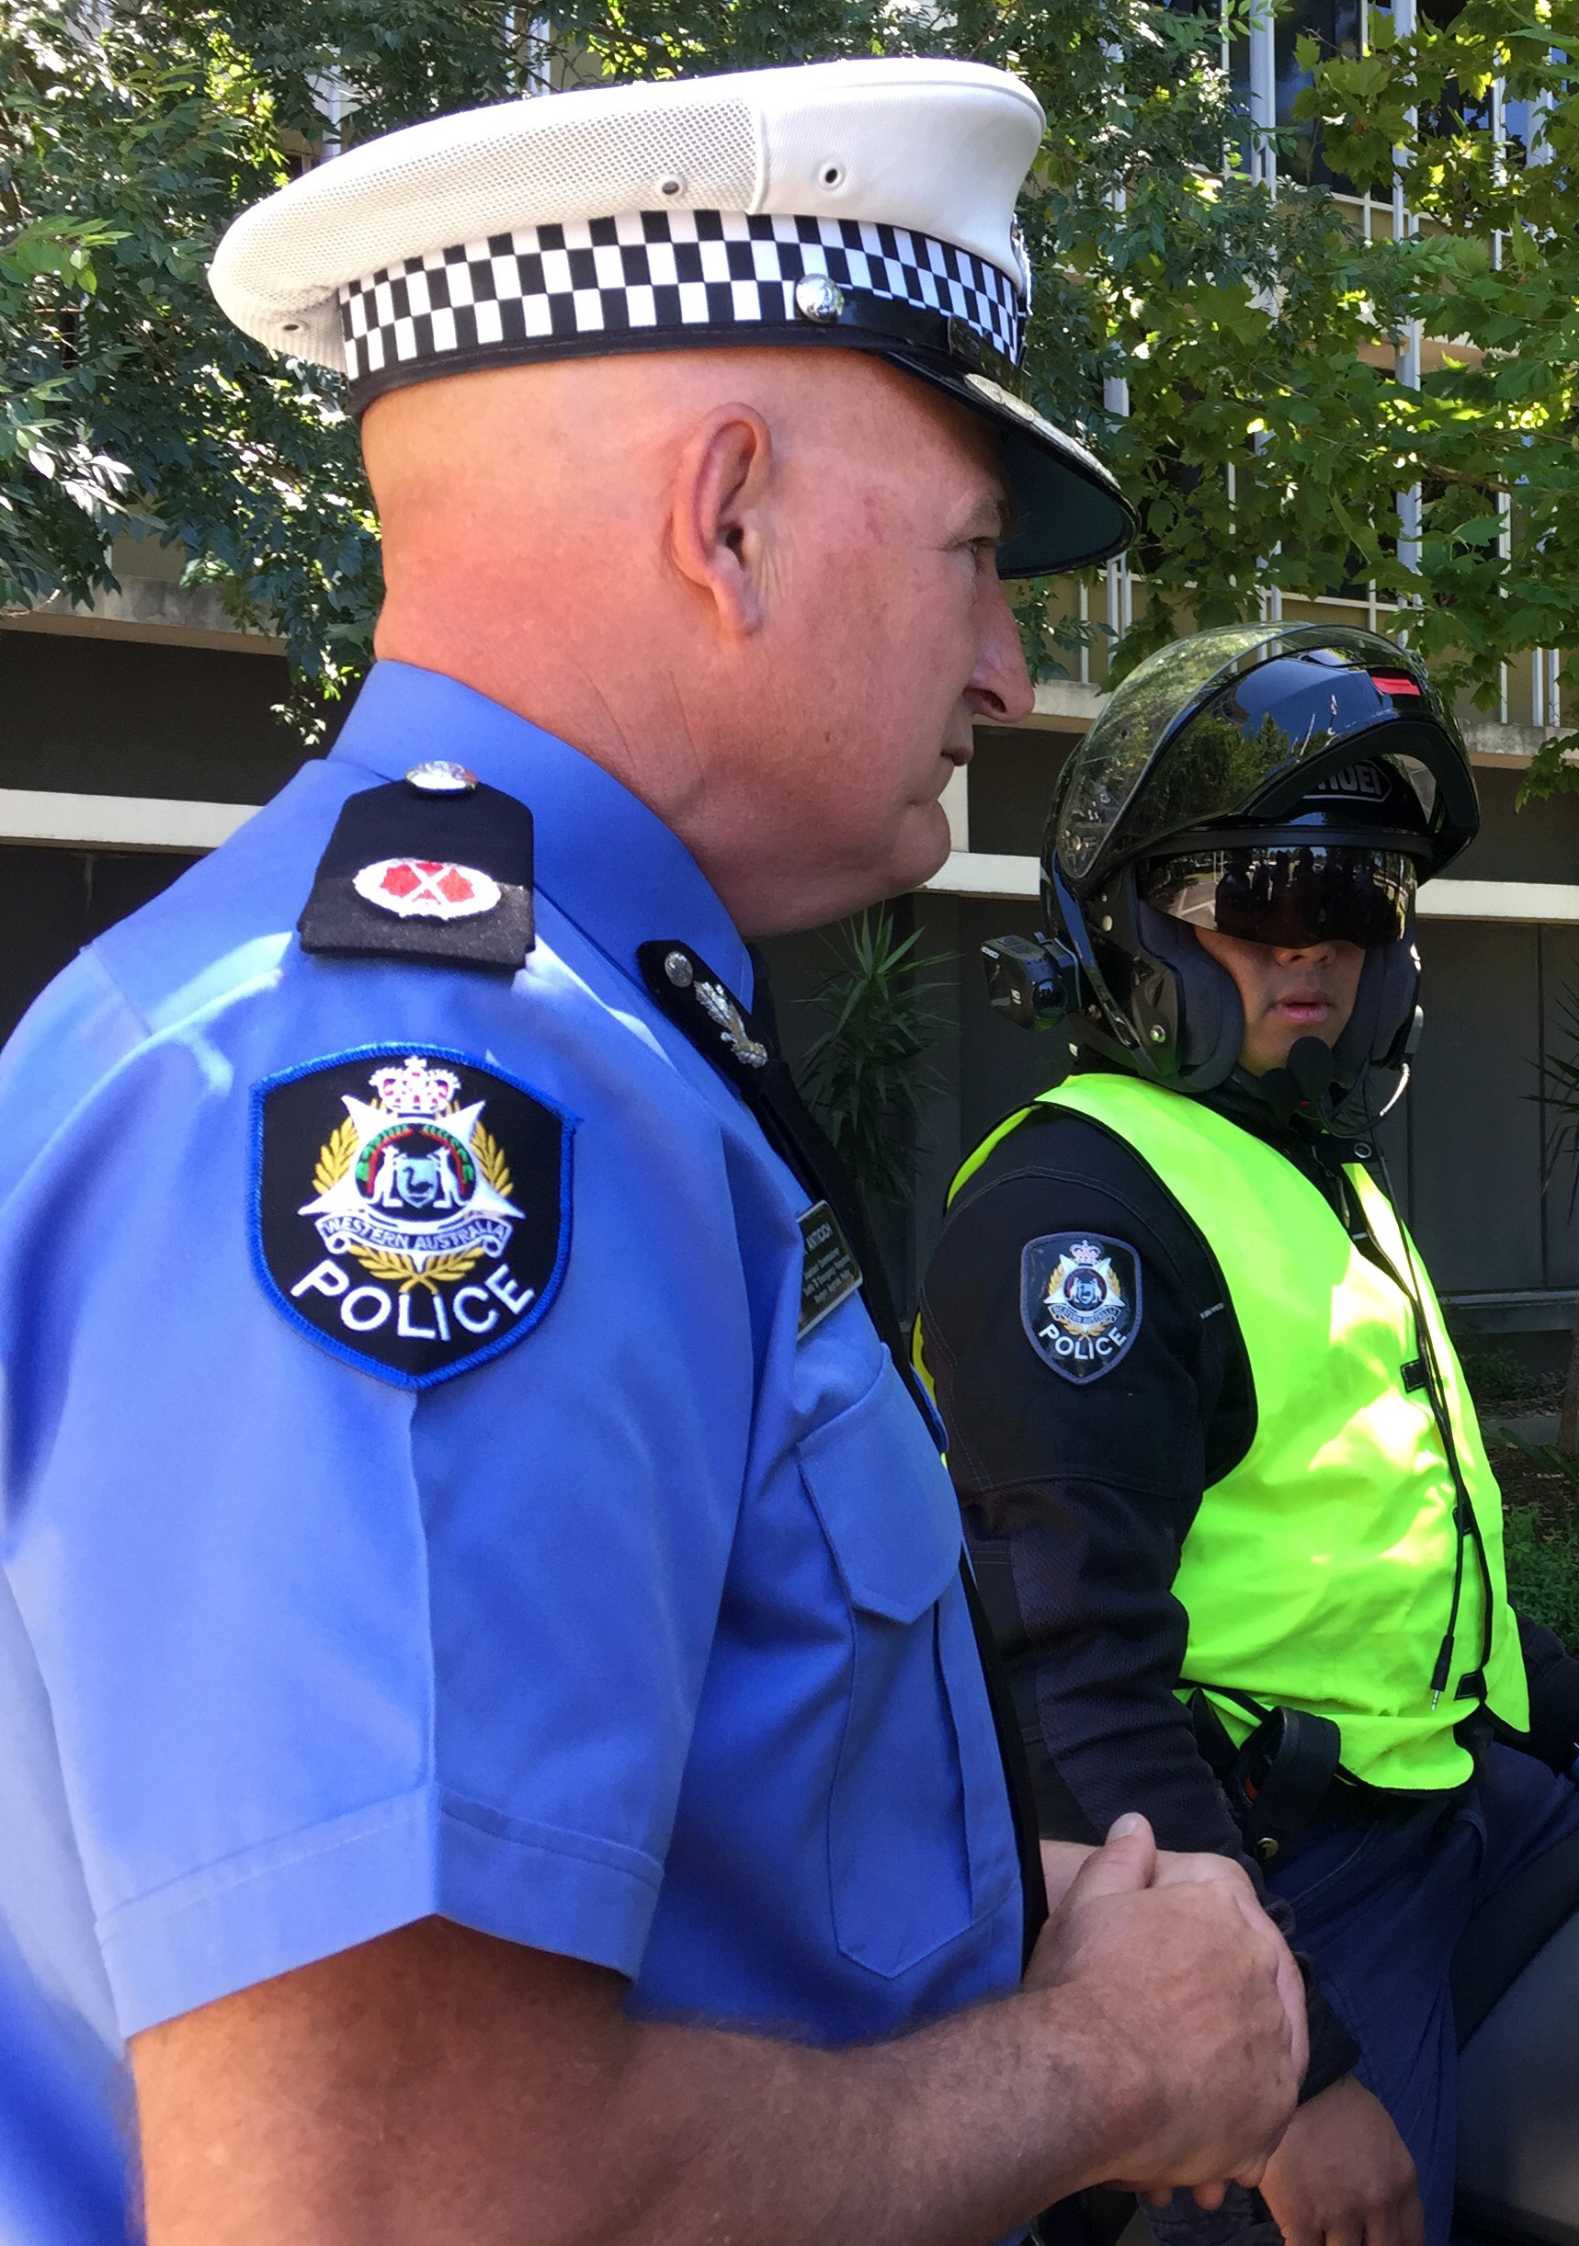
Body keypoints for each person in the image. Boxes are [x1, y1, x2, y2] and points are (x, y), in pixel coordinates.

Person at [0, 58, 1305, 2243]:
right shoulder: (434, 1093)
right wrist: (1112, 2065)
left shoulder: (553, 1023)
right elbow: (397, 2200)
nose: (1000, 667)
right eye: (978, 557)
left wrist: (981, 1896)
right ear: (726, 517)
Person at [917, 623, 1579, 2246]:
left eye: (1361, 902)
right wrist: (1288, 2082)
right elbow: (1068, 1686)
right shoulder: (1083, 1220)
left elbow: (1397, 1562)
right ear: (1138, 928)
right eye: (1265, 897)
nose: (1318, 949)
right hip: (1269, 1877)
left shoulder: (1306, 1178)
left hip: (1446, 1793)